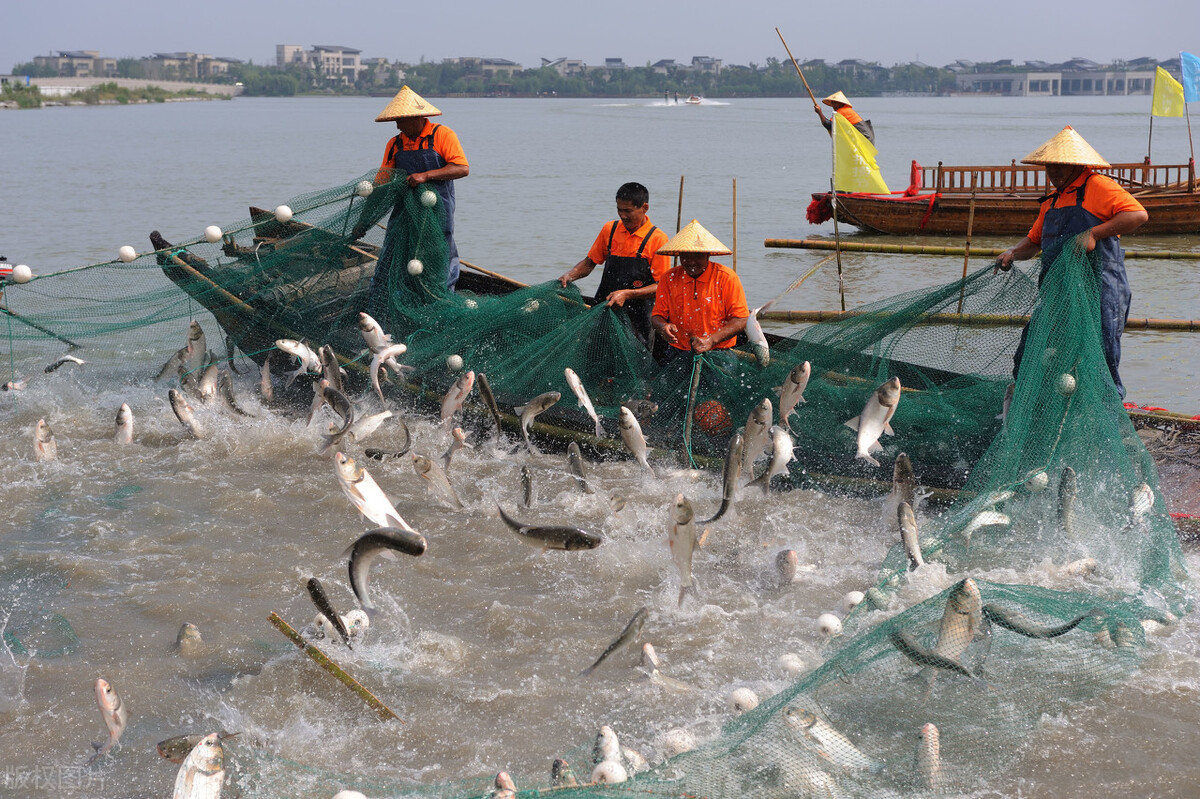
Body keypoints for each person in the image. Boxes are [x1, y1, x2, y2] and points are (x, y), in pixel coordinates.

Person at [994, 126, 1148, 399]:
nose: (1054, 173)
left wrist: (1093, 233)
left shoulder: (1098, 186)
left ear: (1077, 165)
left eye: (1060, 167)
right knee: (1032, 351)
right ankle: (1035, 407)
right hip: (1058, 292)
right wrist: (1013, 253)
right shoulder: (1052, 201)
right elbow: (1034, 241)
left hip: (1099, 289)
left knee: (1100, 355)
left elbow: (1137, 215)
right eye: (1050, 167)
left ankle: (1108, 413)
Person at [371, 85, 469, 294]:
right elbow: (382, 182)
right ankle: (390, 296)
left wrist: (425, 176)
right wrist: (364, 217)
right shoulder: (395, 145)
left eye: (400, 120)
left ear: (415, 117)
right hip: (405, 209)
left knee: (438, 252)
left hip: (438, 209)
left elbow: (462, 168)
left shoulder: (442, 135)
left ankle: (441, 297)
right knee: (394, 250)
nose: (397, 126)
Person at [558, 182, 670, 346]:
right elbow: (590, 263)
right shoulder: (609, 229)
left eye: (628, 211)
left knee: (635, 356)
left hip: (638, 318)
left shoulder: (658, 239)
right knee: (595, 349)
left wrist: (627, 294)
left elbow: (661, 287)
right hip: (605, 307)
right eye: (619, 210)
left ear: (644, 207)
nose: (622, 216)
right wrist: (570, 275)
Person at [651, 219, 749, 362]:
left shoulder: (726, 277)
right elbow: (656, 316)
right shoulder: (669, 278)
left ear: (708, 255)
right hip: (678, 350)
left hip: (719, 352)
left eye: (697, 255)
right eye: (685, 256)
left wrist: (711, 340)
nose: (691, 262)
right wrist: (663, 326)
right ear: (679, 256)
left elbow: (741, 319)